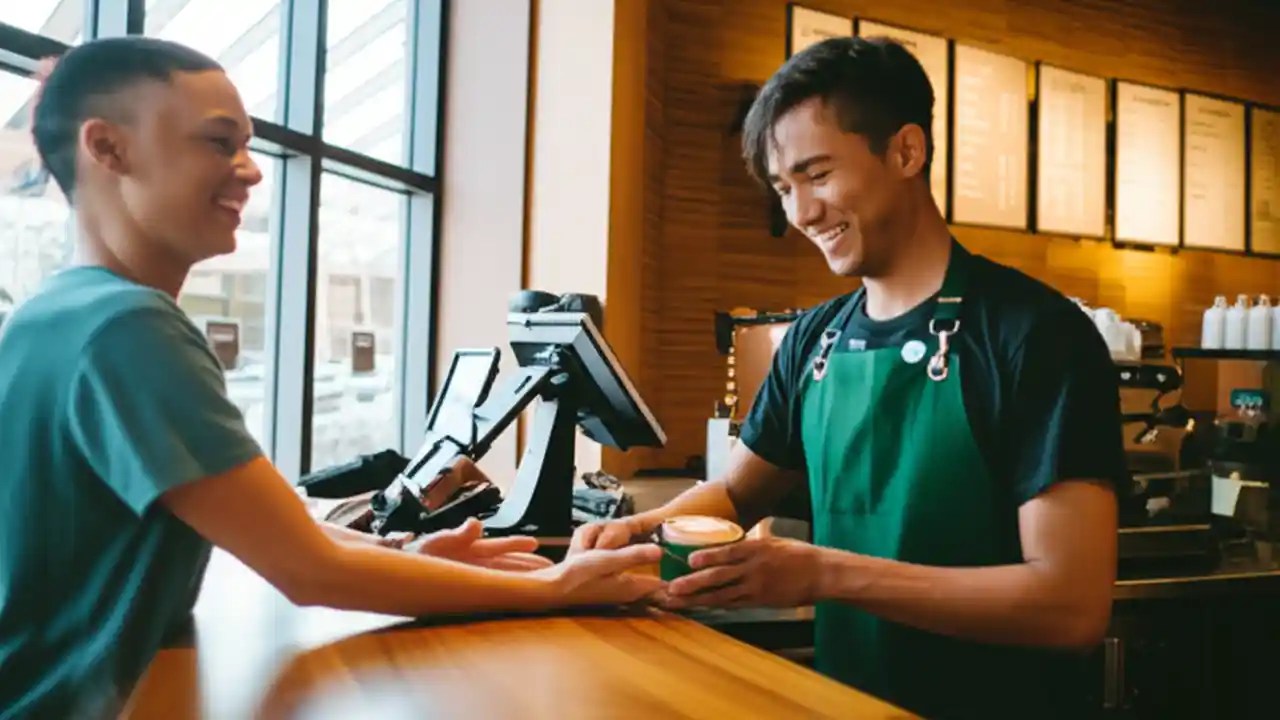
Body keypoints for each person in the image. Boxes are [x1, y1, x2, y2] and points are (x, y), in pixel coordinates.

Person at [0, 37, 661, 720]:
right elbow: (310, 571)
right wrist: (555, 588)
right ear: (108, 148)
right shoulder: (128, 330)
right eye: (217, 142)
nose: (251, 171)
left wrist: (409, 556)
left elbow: (266, 530)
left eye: (248, 145)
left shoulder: (51, 315)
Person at [571, 37, 1127, 719]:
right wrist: (642, 533)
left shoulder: (1035, 336)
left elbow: (1069, 607)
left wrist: (823, 571)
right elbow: (736, 496)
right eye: (784, 188)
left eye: (818, 174)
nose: (800, 214)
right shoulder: (814, 339)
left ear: (905, 152)